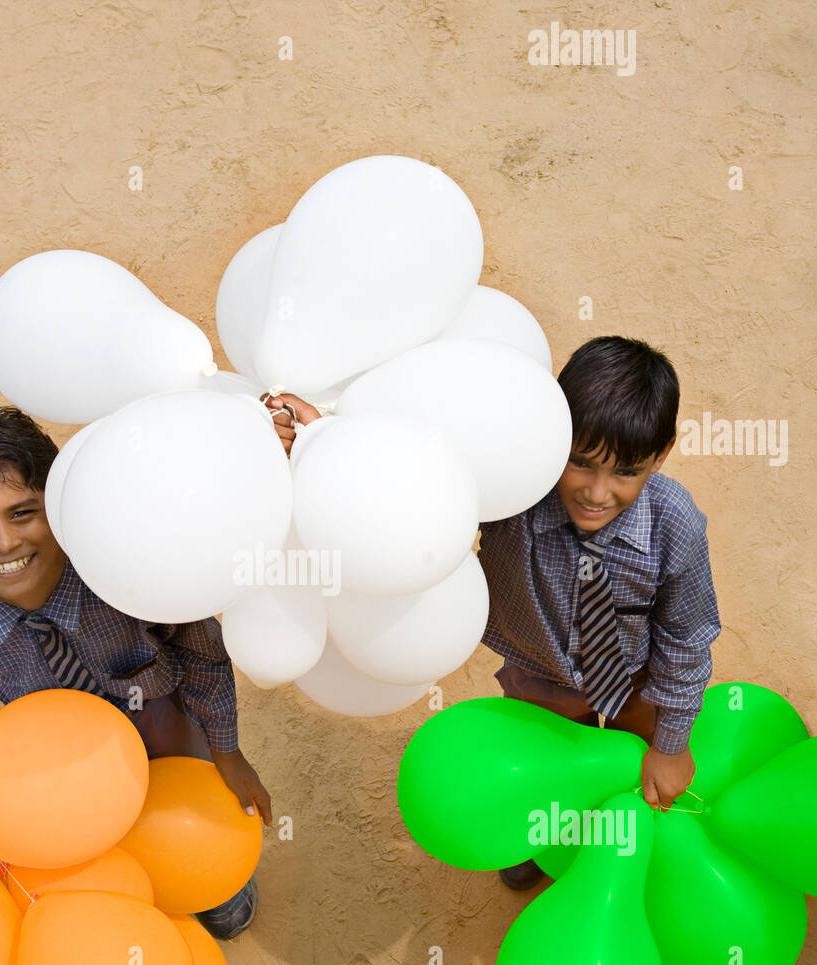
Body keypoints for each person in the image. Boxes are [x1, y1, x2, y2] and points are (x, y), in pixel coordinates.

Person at [267, 335, 722, 892]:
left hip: (636, 680)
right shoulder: (513, 490)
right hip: (540, 671)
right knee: (550, 764)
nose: (597, 492)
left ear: (662, 455)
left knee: (639, 771)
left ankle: (631, 856)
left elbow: (685, 638)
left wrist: (672, 744)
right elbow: (411, 498)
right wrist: (320, 437)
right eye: (580, 462)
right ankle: (548, 835)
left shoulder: (675, 523)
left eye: (626, 472)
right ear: (553, 435)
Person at [0, 406, 276, 939]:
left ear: (61, 508)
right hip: (50, 745)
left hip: (159, 718)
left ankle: (214, 886)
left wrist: (227, 752)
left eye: (24, 513)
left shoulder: (124, 568)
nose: (2, 545)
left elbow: (201, 645)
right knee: (83, 834)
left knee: (200, 847)